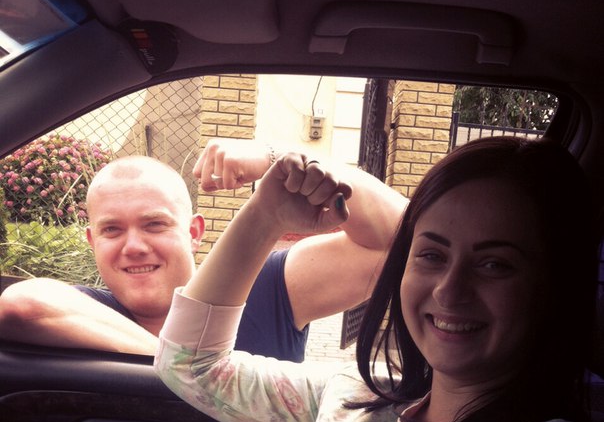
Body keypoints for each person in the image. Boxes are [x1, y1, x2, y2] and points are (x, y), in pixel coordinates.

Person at [154, 136, 604, 422]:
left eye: (494, 264)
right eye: (431, 255)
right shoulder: (356, 398)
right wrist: (265, 216)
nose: (449, 289)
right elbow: (191, 366)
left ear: (554, 288)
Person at [0, 140, 407, 359]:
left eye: (154, 224)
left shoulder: (270, 286)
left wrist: (277, 156)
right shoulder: (92, 312)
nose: (134, 246)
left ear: (194, 232)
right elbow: (23, 305)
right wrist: (185, 367)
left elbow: (403, 239)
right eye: (112, 230)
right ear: (92, 242)